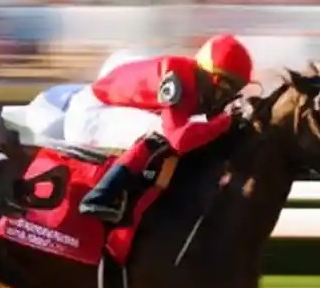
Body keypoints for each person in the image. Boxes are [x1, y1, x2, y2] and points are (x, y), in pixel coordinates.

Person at [79, 34, 254, 223]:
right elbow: (178, 140)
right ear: (212, 77)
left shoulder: (196, 78)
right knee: (160, 135)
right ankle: (100, 196)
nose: (228, 96)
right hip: (91, 111)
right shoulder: (176, 80)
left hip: (115, 96)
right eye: (228, 88)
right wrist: (225, 121)